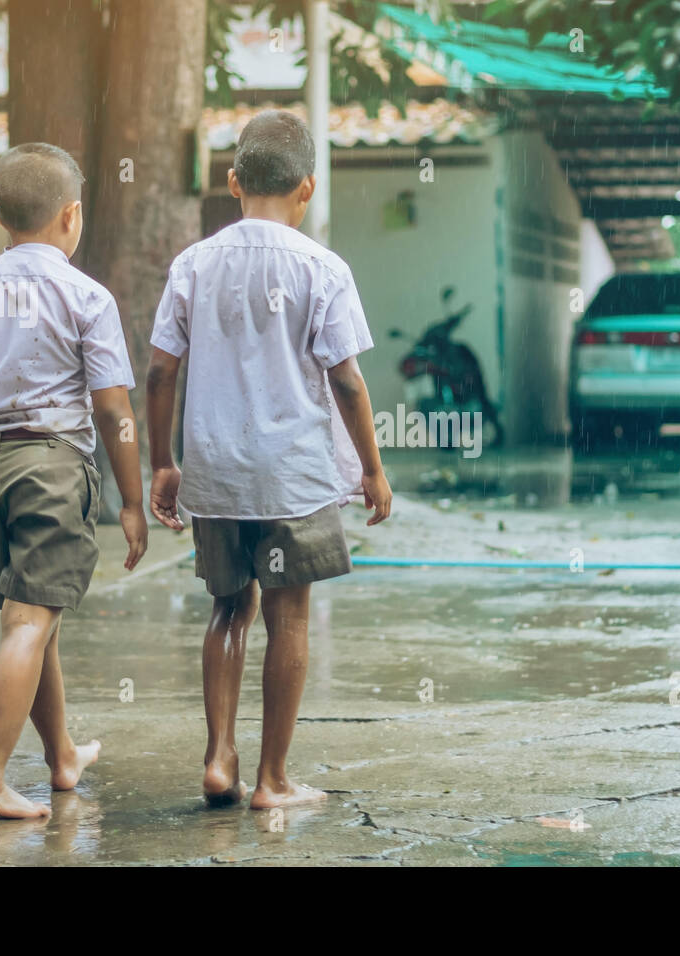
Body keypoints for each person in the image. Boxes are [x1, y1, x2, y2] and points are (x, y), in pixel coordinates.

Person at [146, 110, 392, 810]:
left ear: (232, 182)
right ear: (307, 187)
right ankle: (272, 781)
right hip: (295, 477)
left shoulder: (194, 264)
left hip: (216, 472)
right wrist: (372, 468)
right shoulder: (323, 267)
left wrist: (165, 463)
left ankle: (219, 755)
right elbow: (345, 379)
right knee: (289, 619)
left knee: (228, 610)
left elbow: (161, 372)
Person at [0, 143, 148, 819]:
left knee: (34, 613)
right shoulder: (86, 296)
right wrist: (132, 501)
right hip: (49, 465)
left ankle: (62, 756)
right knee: (30, 619)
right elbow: (113, 409)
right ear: (71, 217)